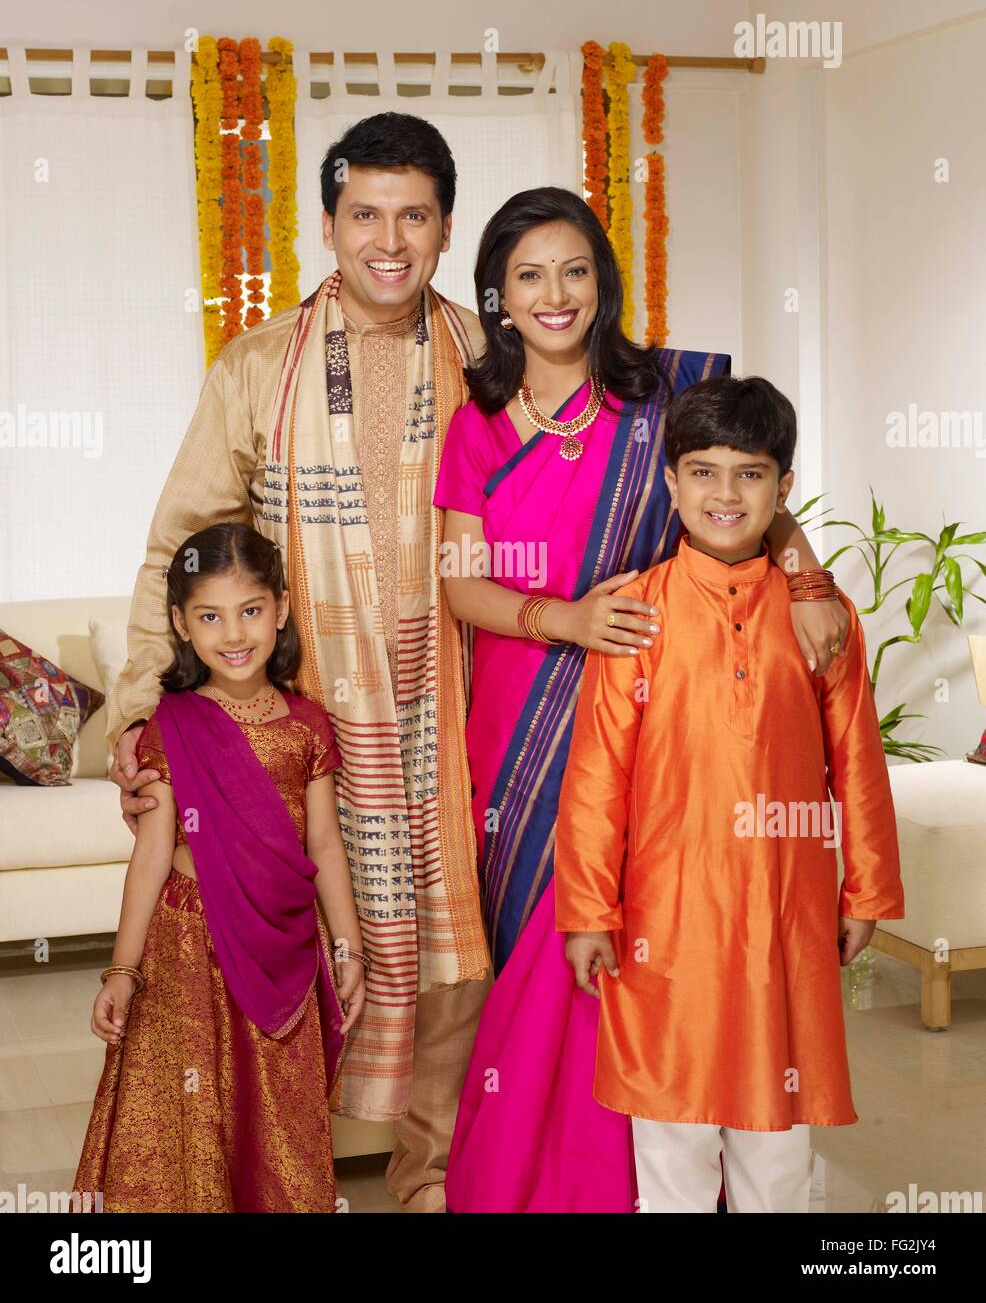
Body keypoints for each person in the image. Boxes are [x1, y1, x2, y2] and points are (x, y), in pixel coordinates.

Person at [436, 188, 853, 1212]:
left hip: (671, 705)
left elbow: (757, 496)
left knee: (660, 943)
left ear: (603, 280)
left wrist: (802, 584)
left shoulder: (666, 395)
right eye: (527, 275)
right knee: (555, 953)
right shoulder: (478, 422)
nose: (554, 295)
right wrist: (562, 621)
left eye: (574, 270)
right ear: (496, 294)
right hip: (528, 715)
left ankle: (692, 1176)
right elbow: (458, 579)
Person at [103, 113, 491, 1210]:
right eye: (363, 212)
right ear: (328, 225)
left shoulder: (486, 359)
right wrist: (141, 716)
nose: (387, 237)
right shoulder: (257, 366)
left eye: (412, 214)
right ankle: (272, 1176)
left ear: (444, 227)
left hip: (450, 712)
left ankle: (429, 1182)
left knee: (452, 966)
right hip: (298, 728)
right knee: (279, 965)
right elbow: (177, 545)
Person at [555, 375, 905, 1213]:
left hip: (786, 911)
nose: (724, 493)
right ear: (670, 483)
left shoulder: (822, 619)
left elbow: (859, 758)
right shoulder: (635, 614)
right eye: (702, 472)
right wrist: (588, 911)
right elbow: (597, 776)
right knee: (671, 1140)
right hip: (665, 922)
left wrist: (866, 890)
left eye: (750, 474)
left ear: (783, 489)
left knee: (778, 1149)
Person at [73, 522, 363, 1211]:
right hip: (184, 948)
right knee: (188, 1105)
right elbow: (150, 855)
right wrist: (122, 968)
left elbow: (325, 848)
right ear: (181, 624)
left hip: (281, 949)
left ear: (282, 610)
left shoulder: (308, 727)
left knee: (274, 1114)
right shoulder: (172, 725)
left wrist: (348, 948)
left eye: (251, 611)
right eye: (210, 616)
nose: (233, 634)